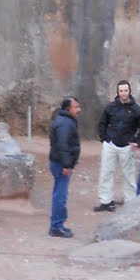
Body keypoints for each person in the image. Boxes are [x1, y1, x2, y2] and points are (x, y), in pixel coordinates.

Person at [94, 80, 140, 211]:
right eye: (121, 91)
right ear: (118, 92)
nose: (123, 93)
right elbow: (102, 123)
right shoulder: (110, 107)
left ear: (129, 91)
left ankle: (131, 202)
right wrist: (104, 138)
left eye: (125, 90)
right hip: (111, 144)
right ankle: (105, 201)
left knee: (129, 175)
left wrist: (137, 141)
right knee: (106, 173)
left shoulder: (137, 109)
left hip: (127, 146)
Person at [47, 97, 82, 237]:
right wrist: (67, 165)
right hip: (61, 164)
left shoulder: (65, 121)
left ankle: (59, 224)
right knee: (60, 196)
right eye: (76, 107)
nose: (79, 110)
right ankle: (56, 226)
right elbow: (63, 145)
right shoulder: (65, 124)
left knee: (60, 194)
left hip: (60, 162)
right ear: (68, 109)